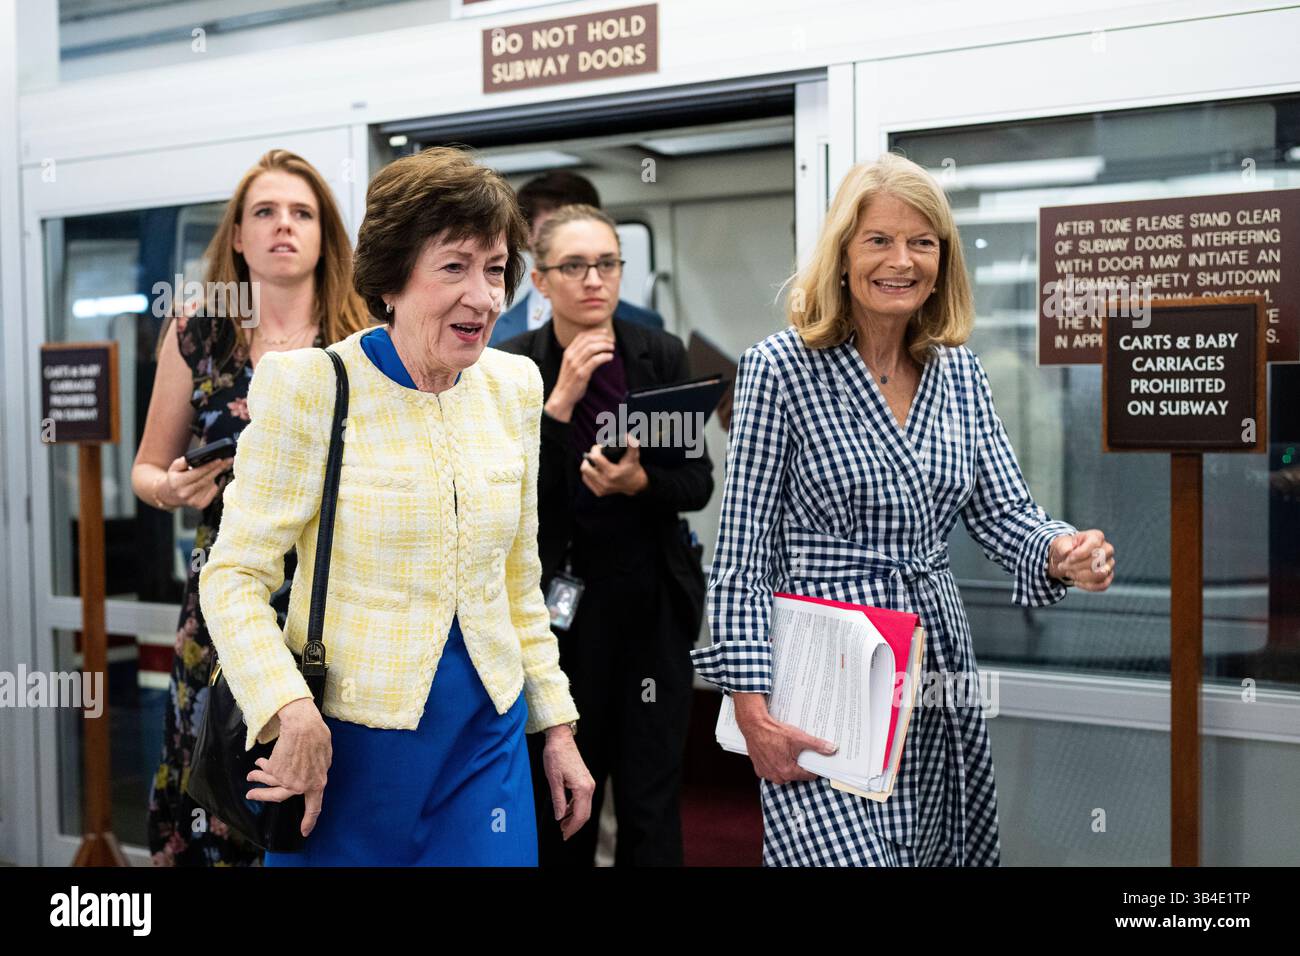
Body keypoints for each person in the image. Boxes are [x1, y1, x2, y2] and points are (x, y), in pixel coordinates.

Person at [691, 152, 1116, 867]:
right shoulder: (780, 368)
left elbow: (1006, 510)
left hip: (934, 658)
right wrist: (746, 695)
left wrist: (1062, 551)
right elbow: (744, 550)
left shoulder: (960, 372)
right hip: (823, 664)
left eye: (923, 242)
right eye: (880, 240)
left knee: (933, 850)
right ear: (844, 253)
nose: (902, 260)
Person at [197, 146, 595, 866]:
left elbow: (518, 581)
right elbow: (232, 577)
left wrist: (558, 726)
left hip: (486, 743)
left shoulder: (513, 386)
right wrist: (288, 708)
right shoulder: (312, 388)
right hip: (345, 752)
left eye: (496, 268)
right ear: (391, 279)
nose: (483, 296)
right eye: (454, 266)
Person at [133, 148, 371, 866]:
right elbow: (146, 468)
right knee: (218, 779)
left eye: (302, 213)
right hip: (224, 590)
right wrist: (169, 489)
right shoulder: (199, 331)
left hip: (335, 589)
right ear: (236, 236)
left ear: (325, 234)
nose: (283, 227)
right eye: (263, 212)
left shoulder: (361, 337)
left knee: (324, 784)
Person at [497, 203, 713, 866]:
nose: (594, 279)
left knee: (651, 797)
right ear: (540, 280)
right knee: (564, 798)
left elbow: (696, 484)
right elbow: (508, 501)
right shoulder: (513, 368)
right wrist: (558, 405)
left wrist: (639, 484)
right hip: (561, 611)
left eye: (607, 264)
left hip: (650, 601)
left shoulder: (658, 354)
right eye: (575, 266)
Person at [490, 170, 663, 345]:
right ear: (528, 234)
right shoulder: (495, 333)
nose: (571, 240)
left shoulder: (647, 326)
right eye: (553, 228)